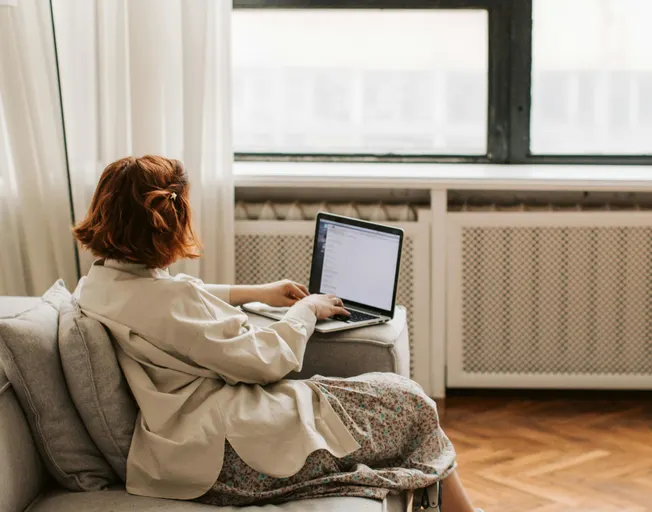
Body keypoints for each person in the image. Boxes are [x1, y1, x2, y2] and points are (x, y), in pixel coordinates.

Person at [73, 155, 480, 512]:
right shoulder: (169, 301)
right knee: (410, 402)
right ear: (166, 223)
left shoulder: (98, 285)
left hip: (186, 447)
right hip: (228, 453)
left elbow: (169, 302)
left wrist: (254, 293)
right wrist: (305, 310)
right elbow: (266, 362)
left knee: (394, 397)